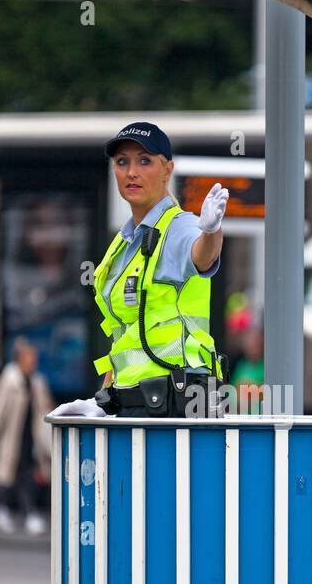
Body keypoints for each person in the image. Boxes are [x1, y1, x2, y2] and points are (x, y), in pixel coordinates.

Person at [92, 122, 228, 418]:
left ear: (168, 171)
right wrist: (100, 401)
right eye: (122, 162)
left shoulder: (179, 226)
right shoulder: (124, 241)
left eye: (145, 161)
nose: (131, 172)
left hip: (176, 401)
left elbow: (202, 256)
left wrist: (212, 231)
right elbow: (126, 332)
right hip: (134, 401)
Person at [0, 339, 52, 534]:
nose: (33, 360)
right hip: (11, 435)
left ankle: (27, 512)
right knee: (8, 474)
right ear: (20, 358)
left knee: (25, 474)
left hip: (30, 436)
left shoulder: (37, 381)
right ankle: (5, 510)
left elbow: (43, 407)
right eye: (29, 356)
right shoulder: (9, 378)